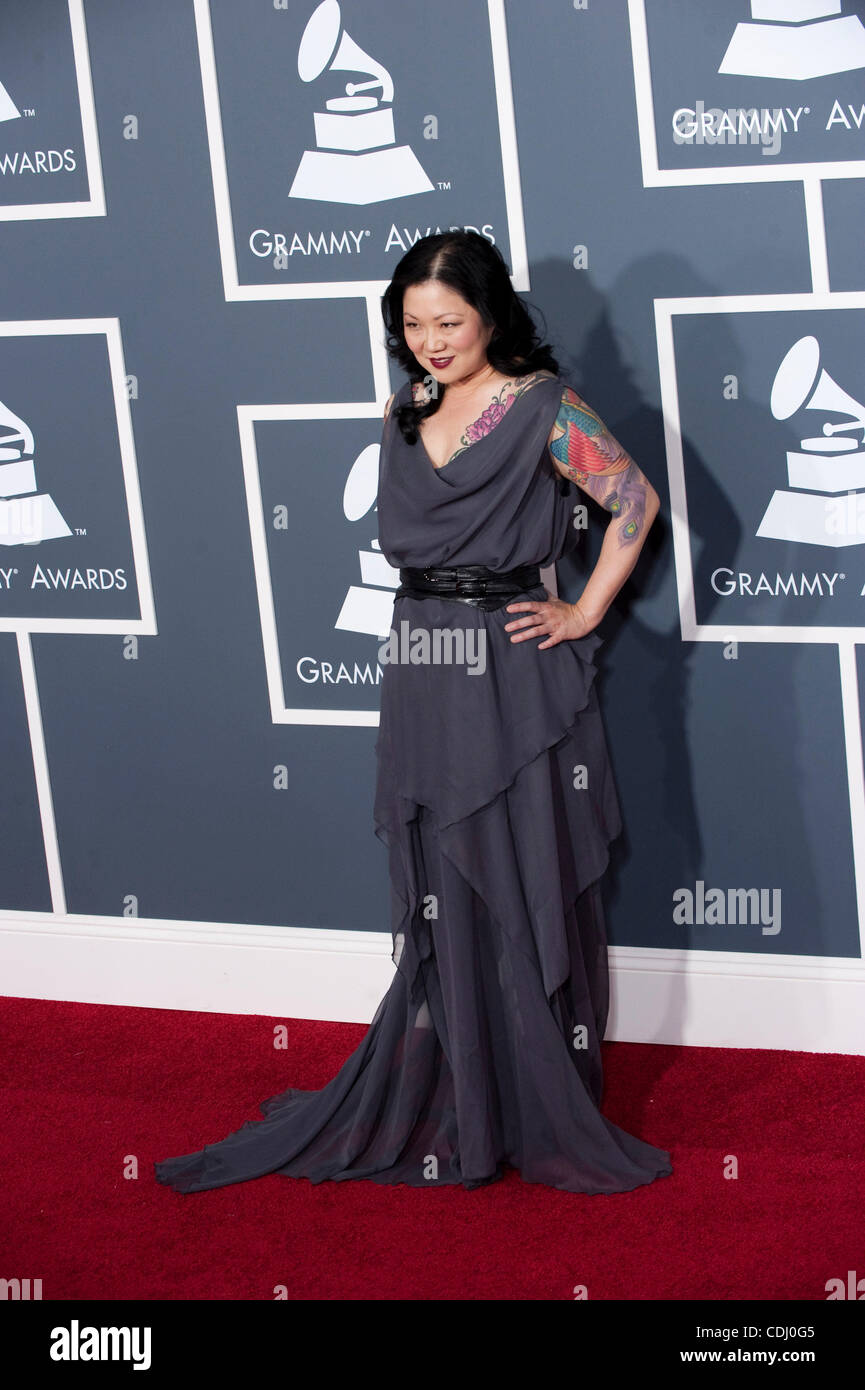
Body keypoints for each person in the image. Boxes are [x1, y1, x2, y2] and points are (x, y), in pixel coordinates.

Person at [154, 230, 672, 1195]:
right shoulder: (407, 408)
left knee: (519, 868)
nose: (432, 341)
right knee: (444, 874)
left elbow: (633, 501)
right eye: (414, 324)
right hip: (422, 661)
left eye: (450, 322)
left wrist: (584, 608)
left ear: (491, 317)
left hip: (510, 666)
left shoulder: (543, 407)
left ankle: (534, 1095)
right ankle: (473, 1088)